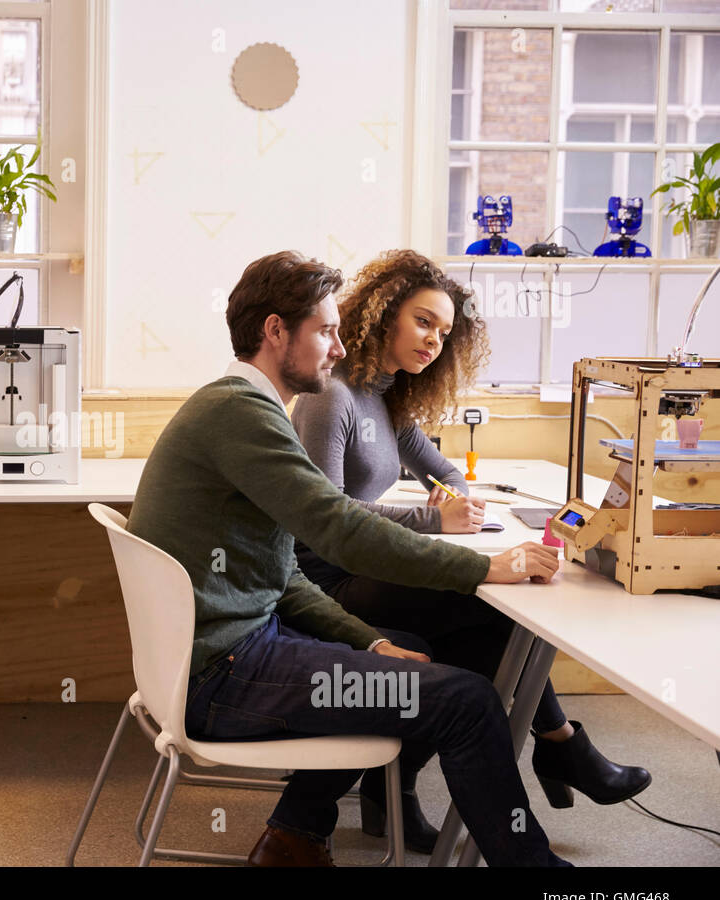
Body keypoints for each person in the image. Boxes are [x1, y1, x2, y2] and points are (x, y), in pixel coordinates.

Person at [127, 249, 572, 866]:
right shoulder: (239, 412)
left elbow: (283, 572)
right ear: (275, 331)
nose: (339, 348)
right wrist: (484, 567)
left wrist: (368, 644)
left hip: (229, 654)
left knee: (412, 649)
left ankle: (296, 835)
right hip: (226, 674)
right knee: (466, 700)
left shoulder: (244, 408)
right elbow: (340, 530)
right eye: (326, 331)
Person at [290, 249, 650, 853]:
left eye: (445, 331)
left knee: (493, 630)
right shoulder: (334, 395)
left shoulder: (388, 395)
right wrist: (433, 520)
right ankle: (559, 748)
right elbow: (324, 516)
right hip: (330, 579)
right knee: (494, 612)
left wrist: (456, 502)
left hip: (371, 562)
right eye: (423, 321)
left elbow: (447, 474)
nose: (434, 340)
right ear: (383, 315)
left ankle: (427, 777)